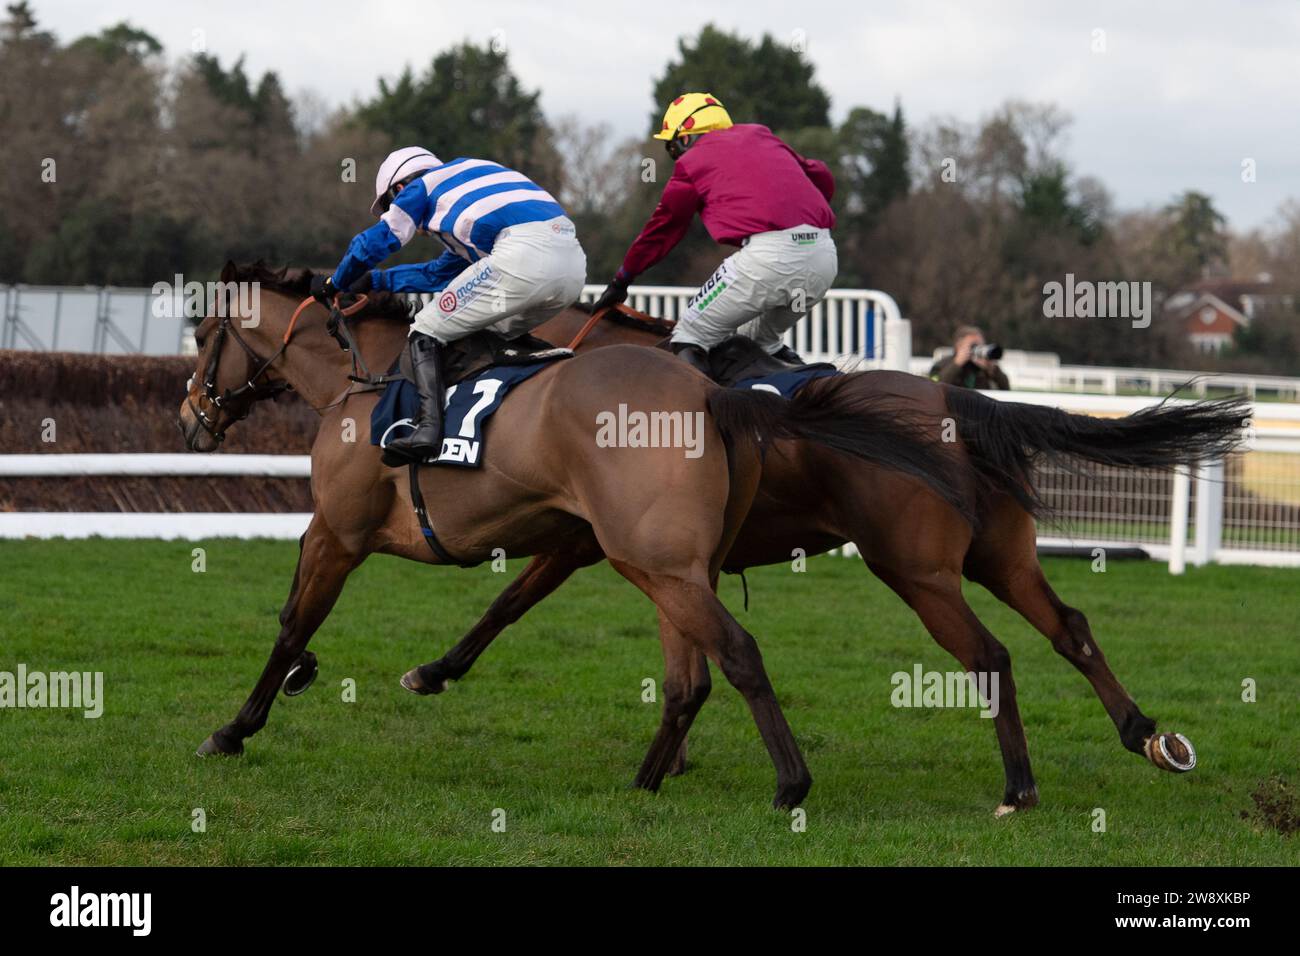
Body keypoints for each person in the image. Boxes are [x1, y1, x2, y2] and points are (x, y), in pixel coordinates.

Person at [314, 146, 586, 462]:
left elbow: (379, 240)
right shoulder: (465, 184)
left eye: (390, 204)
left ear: (399, 189)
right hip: (571, 270)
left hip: (522, 256)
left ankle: (428, 431)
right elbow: (438, 273)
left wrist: (338, 281)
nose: (398, 211)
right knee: (486, 331)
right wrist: (376, 281)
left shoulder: (419, 188)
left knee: (425, 331)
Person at [590, 93, 837, 373]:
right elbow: (821, 174)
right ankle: (810, 399)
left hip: (769, 259)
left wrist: (622, 279)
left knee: (688, 336)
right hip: (824, 255)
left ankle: (704, 417)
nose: (675, 157)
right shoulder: (759, 134)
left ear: (685, 138)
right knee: (761, 342)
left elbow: (662, 229)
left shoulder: (690, 162)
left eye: (672, 148)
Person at [930, 325, 1010, 390]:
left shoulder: (984, 366)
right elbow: (935, 386)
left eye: (981, 345)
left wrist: (992, 370)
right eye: (974, 345)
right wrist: (956, 364)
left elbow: (1006, 388)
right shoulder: (943, 364)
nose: (979, 348)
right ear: (959, 346)